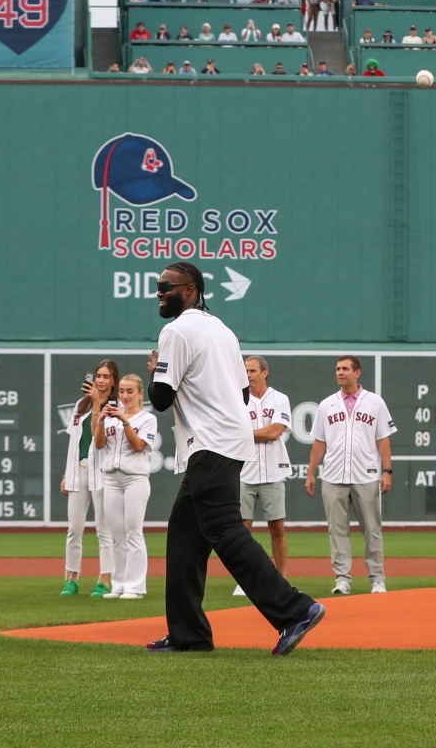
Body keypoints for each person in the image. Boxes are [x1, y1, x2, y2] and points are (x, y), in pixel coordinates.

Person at [146, 261, 323, 654]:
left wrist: (152, 370)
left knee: (226, 531)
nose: (159, 291)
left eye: (166, 286)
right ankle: (188, 635)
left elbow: (159, 398)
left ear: (190, 289)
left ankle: (295, 610)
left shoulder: (176, 330)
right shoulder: (223, 330)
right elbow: (243, 395)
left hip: (209, 446)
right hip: (226, 442)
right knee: (184, 540)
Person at [306, 355, 396, 596]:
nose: (340, 372)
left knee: (372, 529)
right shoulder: (327, 404)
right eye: (337, 368)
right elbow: (319, 442)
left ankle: (377, 579)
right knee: (337, 531)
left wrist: (386, 471)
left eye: (345, 368)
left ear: (357, 373)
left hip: (366, 475)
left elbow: (383, 439)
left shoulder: (374, 402)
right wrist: (311, 473)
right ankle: (342, 578)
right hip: (333, 475)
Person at [94, 374, 159, 600]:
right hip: (111, 478)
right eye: (121, 391)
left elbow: (139, 445)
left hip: (135, 479)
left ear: (140, 393)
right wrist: (101, 419)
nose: (124, 395)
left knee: (133, 531)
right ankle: (119, 584)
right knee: (116, 534)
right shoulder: (111, 416)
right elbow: (99, 444)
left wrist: (125, 420)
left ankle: (135, 586)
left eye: (130, 391)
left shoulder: (147, 418)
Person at [59, 361, 119, 597]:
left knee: (103, 529)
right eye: (98, 376)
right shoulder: (80, 405)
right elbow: (74, 442)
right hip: (79, 470)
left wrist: (97, 402)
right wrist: (67, 473)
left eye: (106, 376)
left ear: (114, 381)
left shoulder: (114, 406)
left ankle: (104, 579)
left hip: (102, 472)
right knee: (74, 528)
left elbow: (98, 436)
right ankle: (71, 578)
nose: (101, 380)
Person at [237, 356, 295, 593]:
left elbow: (275, 432)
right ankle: (244, 580)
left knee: (277, 527)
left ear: (264, 372)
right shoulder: (237, 400)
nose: (248, 375)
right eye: (245, 371)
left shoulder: (279, 398)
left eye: (252, 370)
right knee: (242, 529)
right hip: (244, 471)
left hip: (273, 469)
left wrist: (245, 434)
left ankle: (281, 579)